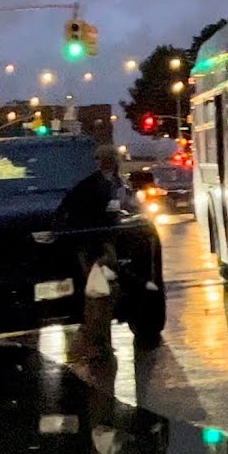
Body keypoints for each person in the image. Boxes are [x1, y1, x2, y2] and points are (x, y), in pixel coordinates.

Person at [58, 145, 137, 361]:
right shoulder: (92, 186)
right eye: (110, 158)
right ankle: (96, 341)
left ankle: (100, 341)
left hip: (101, 243)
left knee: (103, 295)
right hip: (94, 245)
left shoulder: (112, 183)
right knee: (102, 294)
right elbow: (78, 212)